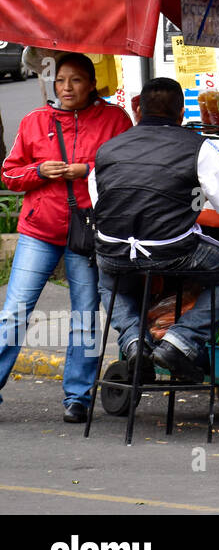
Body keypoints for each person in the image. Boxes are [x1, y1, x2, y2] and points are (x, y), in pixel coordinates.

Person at [0, 52, 133, 422]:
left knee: (86, 316)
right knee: (14, 312)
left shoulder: (115, 120)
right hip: (39, 230)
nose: (67, 87)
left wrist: (87, 170)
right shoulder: (34, 121)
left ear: (92, 84)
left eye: (76, 80)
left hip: (88, 233)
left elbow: (129, 170)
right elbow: (9, 176)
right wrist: (40, 171)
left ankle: (78, 397)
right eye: (61, 80)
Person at [90, 78, 219, 384]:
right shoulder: (197, 146)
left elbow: (99, 201)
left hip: (114, 250)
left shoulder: (107, 149)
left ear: (138, 110)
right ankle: (180, 341)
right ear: (180, 115)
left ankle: (135, 342)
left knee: (108, 283)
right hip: (171, 252)